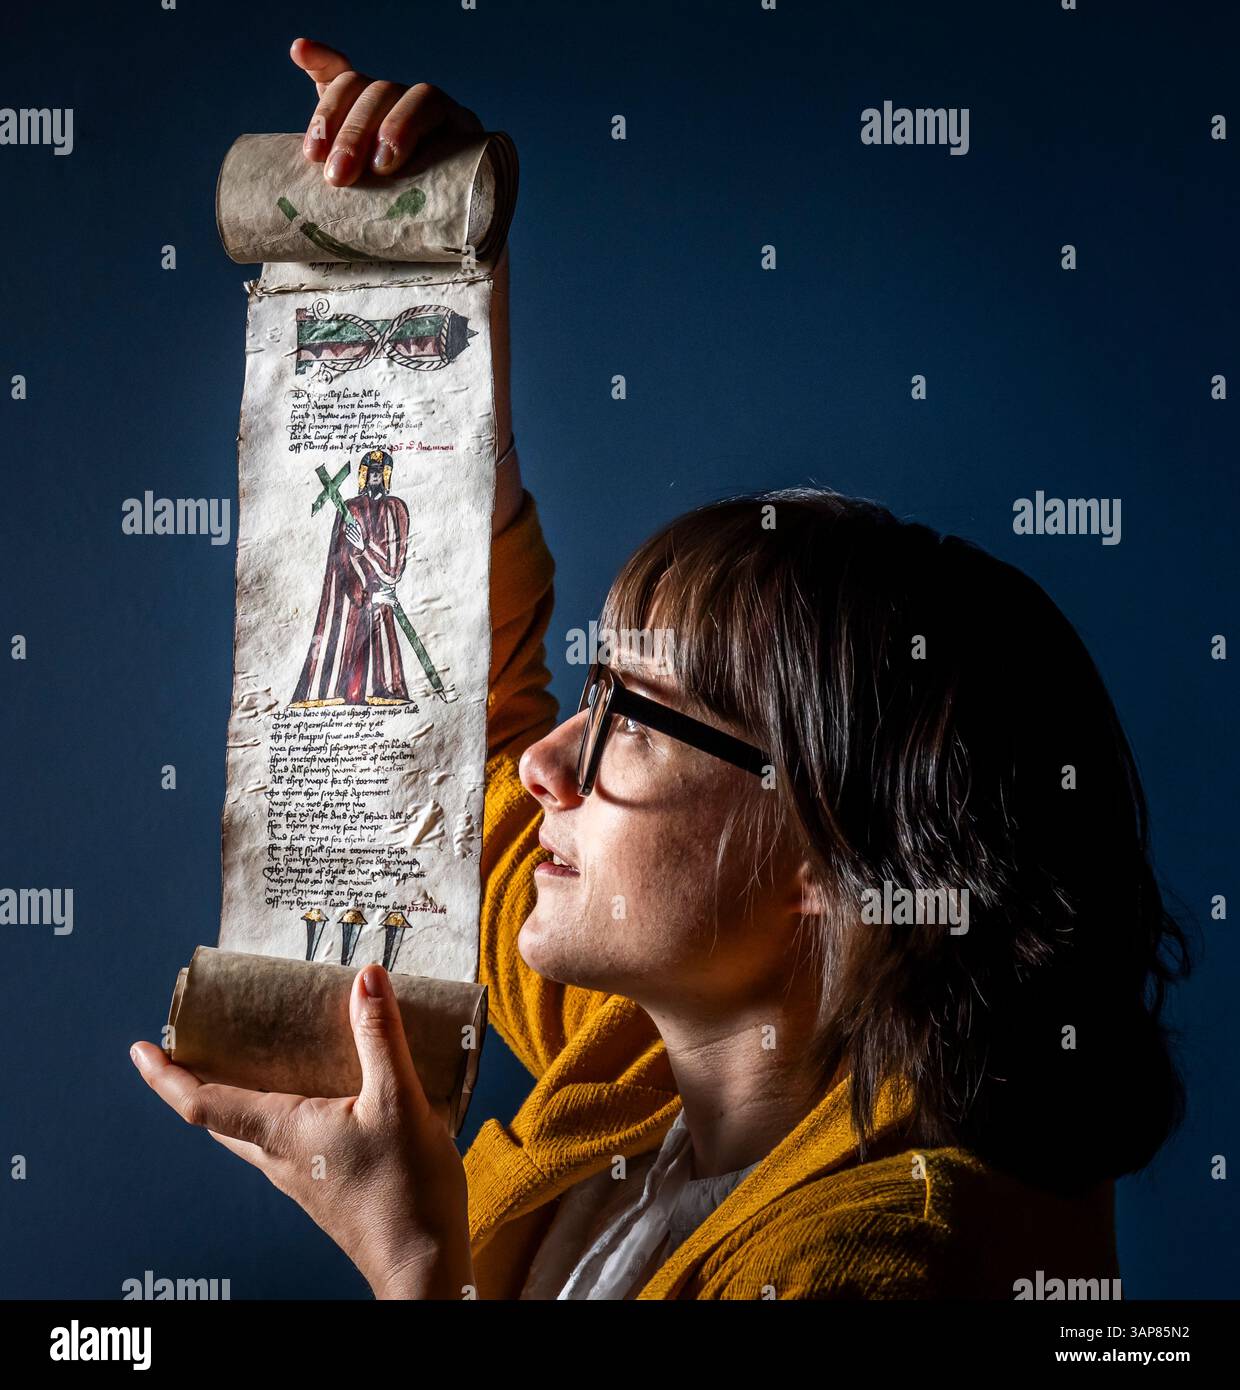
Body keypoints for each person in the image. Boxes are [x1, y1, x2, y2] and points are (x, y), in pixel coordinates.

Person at [130, 37, 1190, 1300]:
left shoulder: (892, 1263)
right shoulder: (644, 1055)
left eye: (637, 720)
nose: (544, 763)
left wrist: (416, 1267)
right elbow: (449, 736)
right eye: (595, 694)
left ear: (825, 853)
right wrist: (434, 263)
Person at [290, 447, 413, 707]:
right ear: (364, 475)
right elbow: (343, 560)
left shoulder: (396, 508)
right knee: (354, 640)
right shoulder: (351, 508)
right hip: (357, 596)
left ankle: (384, 689)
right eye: (371, 471)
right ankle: (350, 692)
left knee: (382, 643)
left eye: (380, 471)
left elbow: (394, 565)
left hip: (383, 594)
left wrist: (366, 550)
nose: (375, 477)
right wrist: (365, 593)